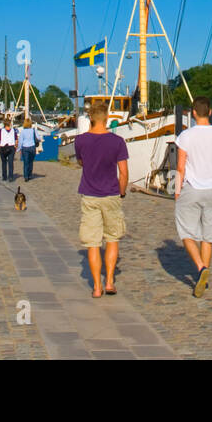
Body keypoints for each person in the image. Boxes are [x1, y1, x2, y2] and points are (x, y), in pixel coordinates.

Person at [174, 96, 212, 297]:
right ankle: (203, 276)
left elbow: (180, 167)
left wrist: (177, 191)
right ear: (209, 112)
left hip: (191, 188)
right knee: (208, 237)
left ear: (193, 113)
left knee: (186, 233)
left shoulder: (185, 136)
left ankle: (200, 268)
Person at [75, 98, 128, 298]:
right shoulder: (117, 142)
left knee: (93, 242)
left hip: (89, 194)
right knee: (112, 238)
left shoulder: (81, 141)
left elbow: (81, 162)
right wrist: (121, 191)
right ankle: (110, 281)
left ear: (90, 118)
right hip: (112, 193)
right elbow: (123, 172)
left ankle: (96, 286)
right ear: (106, 118)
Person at [0, 117, 18, 182]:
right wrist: (16, 146)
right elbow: (16, 139)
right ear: (10, 124)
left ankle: (4, 176)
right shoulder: (13, 130)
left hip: (3, 147)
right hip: (11, 147)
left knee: (4, 162)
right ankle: (11, 176)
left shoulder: (1, 131)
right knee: (10, 162)